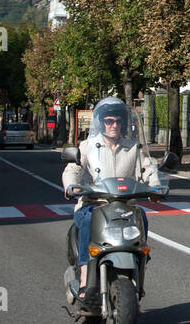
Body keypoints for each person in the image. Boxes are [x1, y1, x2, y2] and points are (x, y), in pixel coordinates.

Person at [62, 97, 160, 308]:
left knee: (141, 214)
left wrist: (156, 185)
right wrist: (71, 185)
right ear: (100, 122)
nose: (114, 125)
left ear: (124, 123)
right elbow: (73, 168)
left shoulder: (132, 148)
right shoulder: (88, 147)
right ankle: (85, 274)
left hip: (123, 206)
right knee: (88, 219)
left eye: (117, 121)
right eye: (109, 120)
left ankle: (140, 258)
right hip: (94, 204)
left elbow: (148, 167)